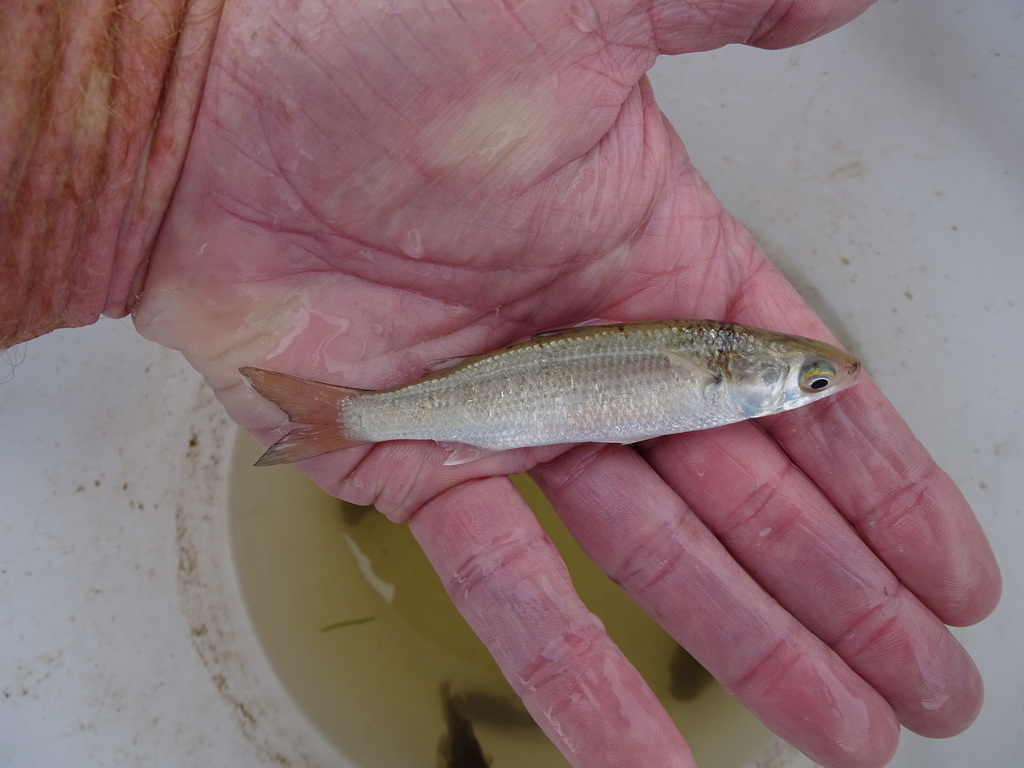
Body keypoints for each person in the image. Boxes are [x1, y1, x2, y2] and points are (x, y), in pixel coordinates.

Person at [0, 1, 1001, 766]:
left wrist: (135, 92)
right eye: (806, 381)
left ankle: (343, 420)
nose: (811, 388)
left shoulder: (728, 362)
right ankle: (342, 419)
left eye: (807, 384)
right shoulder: (722, 361)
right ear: (747, 372)